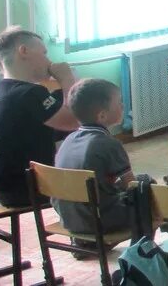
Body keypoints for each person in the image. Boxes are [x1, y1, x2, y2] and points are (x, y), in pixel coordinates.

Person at [0, 27, 80, 207]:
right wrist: (67, 78)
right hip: (29, 188)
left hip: (0, 188)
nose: (48, 59)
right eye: (44, 53)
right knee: (101, 177)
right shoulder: (30, 93)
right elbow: (76, 120)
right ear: (24, 51)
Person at [54, 79, 133, 238]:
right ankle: (144, 249)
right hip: (99, 219)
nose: (123, 106)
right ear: (102, 115)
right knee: (146, 185)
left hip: (69, 219)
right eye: (119, 103)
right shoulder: (108, 143)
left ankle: (83, 242)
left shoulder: (68, 141)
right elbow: (131, 185)